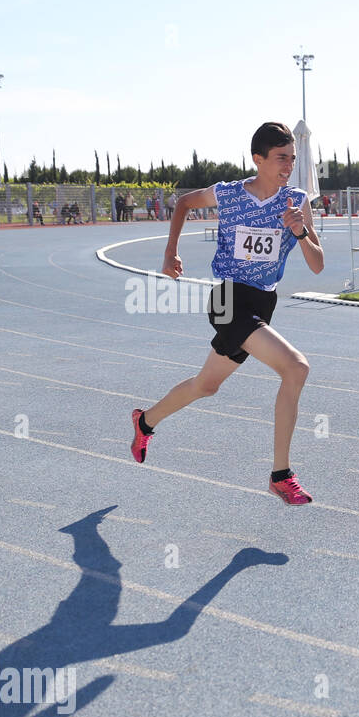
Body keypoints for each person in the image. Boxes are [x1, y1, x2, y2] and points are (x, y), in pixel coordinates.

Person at [130, 121, 325, 505]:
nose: (288, 166)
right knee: (296, 367)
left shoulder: (297, 202)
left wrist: (301, 233)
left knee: (207, 385)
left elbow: (318, 265)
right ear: (258, 159)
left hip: (262, 304)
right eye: (281, 158)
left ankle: (145, 421)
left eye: (292, 159)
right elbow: (185, 202)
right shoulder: (230, 194)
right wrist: (170, 251)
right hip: (227, 299)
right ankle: (280, 474)